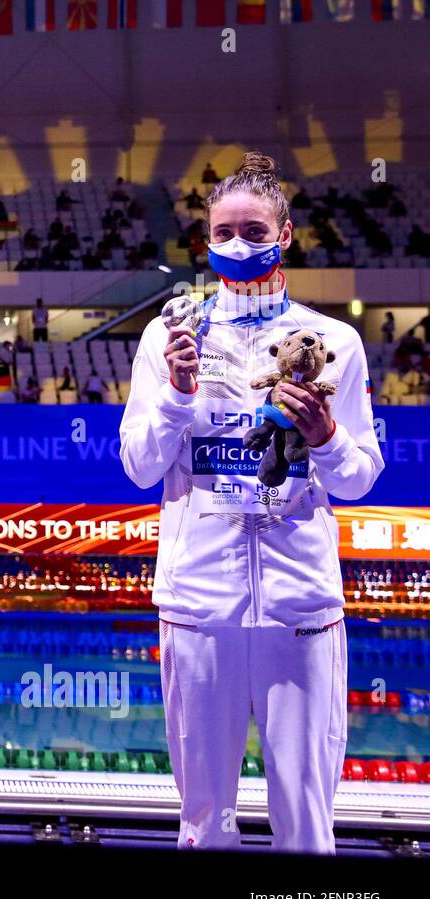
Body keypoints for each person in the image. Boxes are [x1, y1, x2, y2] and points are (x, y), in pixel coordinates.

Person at [119, 151, 383, 855]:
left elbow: (358, 479)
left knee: (304, 822)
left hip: (300, 605)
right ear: (206, 241)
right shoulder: (168, 340)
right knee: (205, 823)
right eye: (224, 233)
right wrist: (177, 394)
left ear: (287, 234)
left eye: (254, 230)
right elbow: (140, 467)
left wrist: (325, 435)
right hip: (198, 603)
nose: (238, 245)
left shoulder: (336, 344)